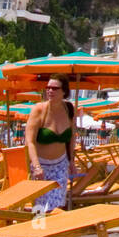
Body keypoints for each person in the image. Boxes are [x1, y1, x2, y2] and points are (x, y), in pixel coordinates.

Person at [25, 76, 76, 210]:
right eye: (48, 88)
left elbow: (72, 138)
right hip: (41, 166)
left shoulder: (69, 109)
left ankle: (55, 230)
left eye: (54, 88)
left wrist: (72, 161)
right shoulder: (38, 110)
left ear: (64, 91)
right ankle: (38, 229)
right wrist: (36, 167)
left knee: (57, 203)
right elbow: (29, 141)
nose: (50, 91)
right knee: (40, 206)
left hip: (61, 165)